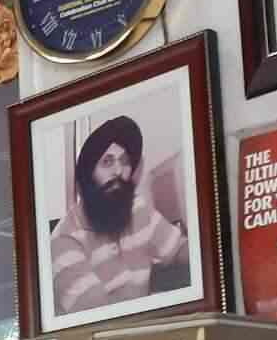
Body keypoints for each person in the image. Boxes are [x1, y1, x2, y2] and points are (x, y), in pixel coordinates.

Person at [47, 115, 189, 317]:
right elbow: (101, 317)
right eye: (107, 162)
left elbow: (179, 249)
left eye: (125, 161)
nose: (119, 171)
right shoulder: (64, 241)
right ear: (88, 175)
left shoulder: (136, 209)